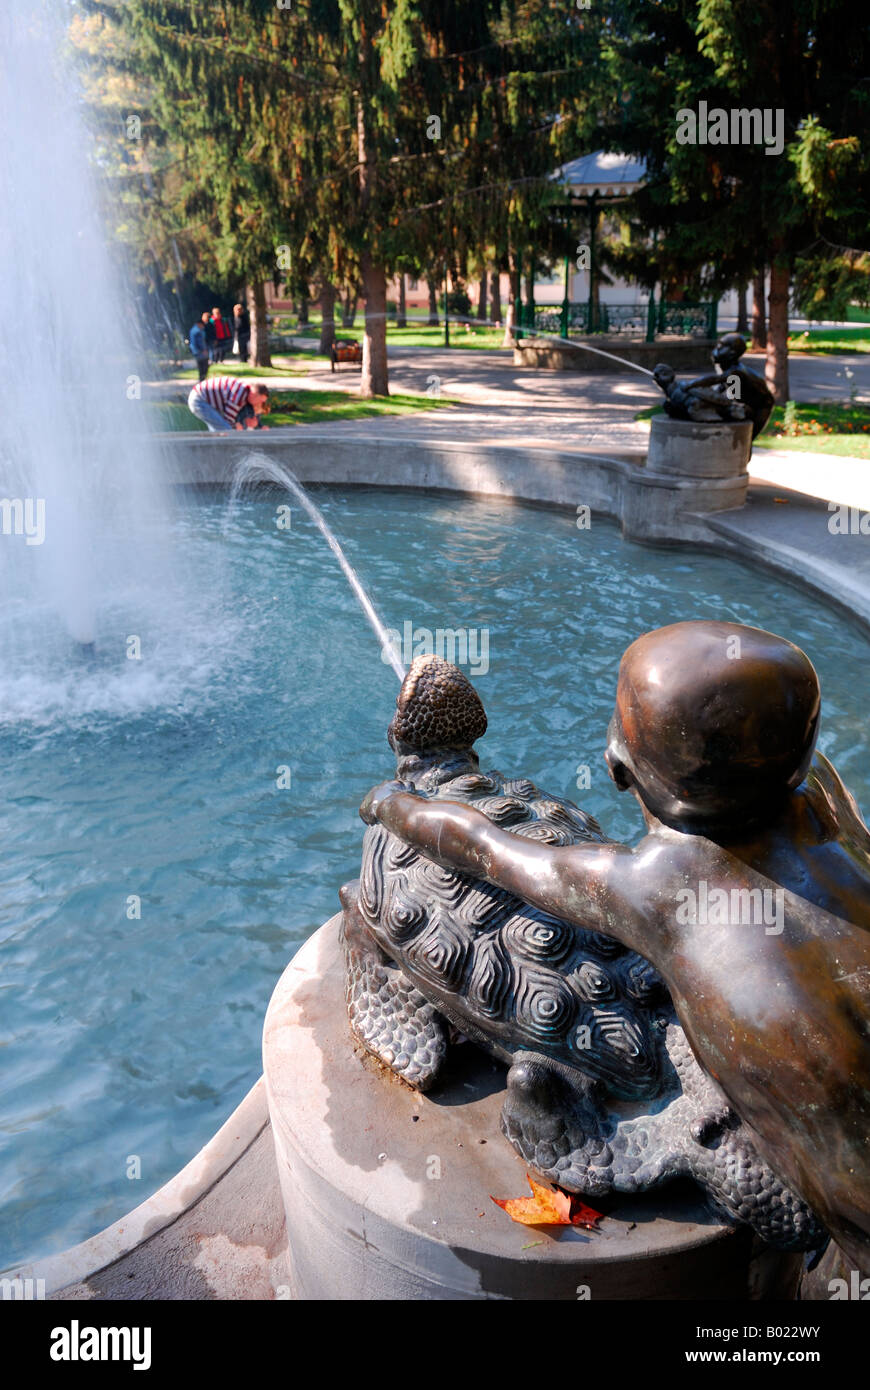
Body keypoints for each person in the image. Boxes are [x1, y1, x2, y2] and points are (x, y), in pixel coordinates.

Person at [360, 620, 870, 1271]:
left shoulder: (656, 886)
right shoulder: (830, 810)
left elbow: (484, 847)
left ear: (617, 768)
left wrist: (393, 807)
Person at [187, 376, 270, 432]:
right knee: (226, 430)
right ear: (253, 394)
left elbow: (242, 416)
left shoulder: (245, 392)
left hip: (203, 399)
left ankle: (215, 450)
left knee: (219, 430)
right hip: (199, 400)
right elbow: (229, 420)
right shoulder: (239, 396)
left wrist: (260, 426)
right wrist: (236, 426)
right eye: (260, 401)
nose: (260, 404)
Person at [188, 316, 209, 382]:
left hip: (196, 351)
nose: (203, 326)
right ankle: (202, 379)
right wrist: (203, 350)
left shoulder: (193, 330)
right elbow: (199, 342)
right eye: (203, 325)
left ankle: (202, 379)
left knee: (201, 366)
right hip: (200, 351)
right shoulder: (197, 331)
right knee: (204, 366)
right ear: (199, 324)